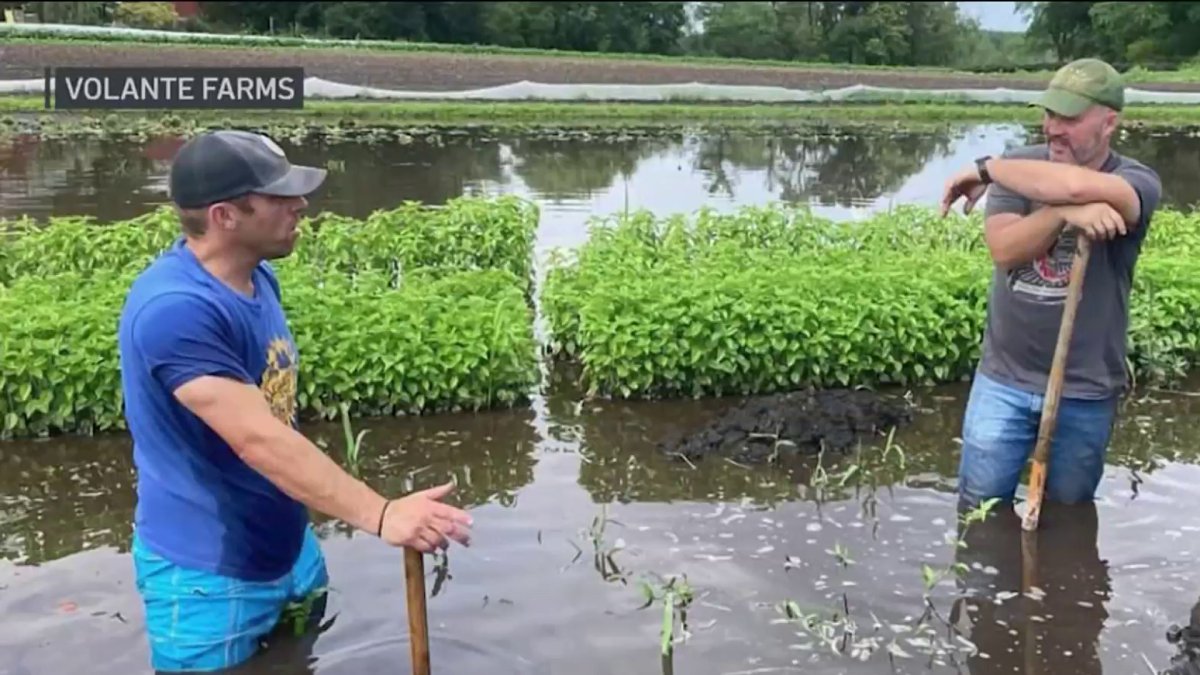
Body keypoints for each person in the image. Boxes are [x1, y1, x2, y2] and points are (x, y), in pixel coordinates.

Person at [117, 129, 474, 673]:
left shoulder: (257, 279)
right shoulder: (175, 310)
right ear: (225, 216)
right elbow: (257, 439)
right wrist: (381, 514)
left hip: (288, 549)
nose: (300, 205)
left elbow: (275, 415)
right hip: (208, 579)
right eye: (279, 196)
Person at [940, 58, 1163, 508]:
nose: (1053, 128)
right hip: (1003, 380)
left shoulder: (1137, 181)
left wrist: (985, 168)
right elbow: (1005, 250)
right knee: (978, 511)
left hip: (1085, 388)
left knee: (1069, 515)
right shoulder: (1021, 167)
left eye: (1070, 118)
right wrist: (1061, 213)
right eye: (1049, 114)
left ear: (1109, 122)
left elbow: (1083, 188)